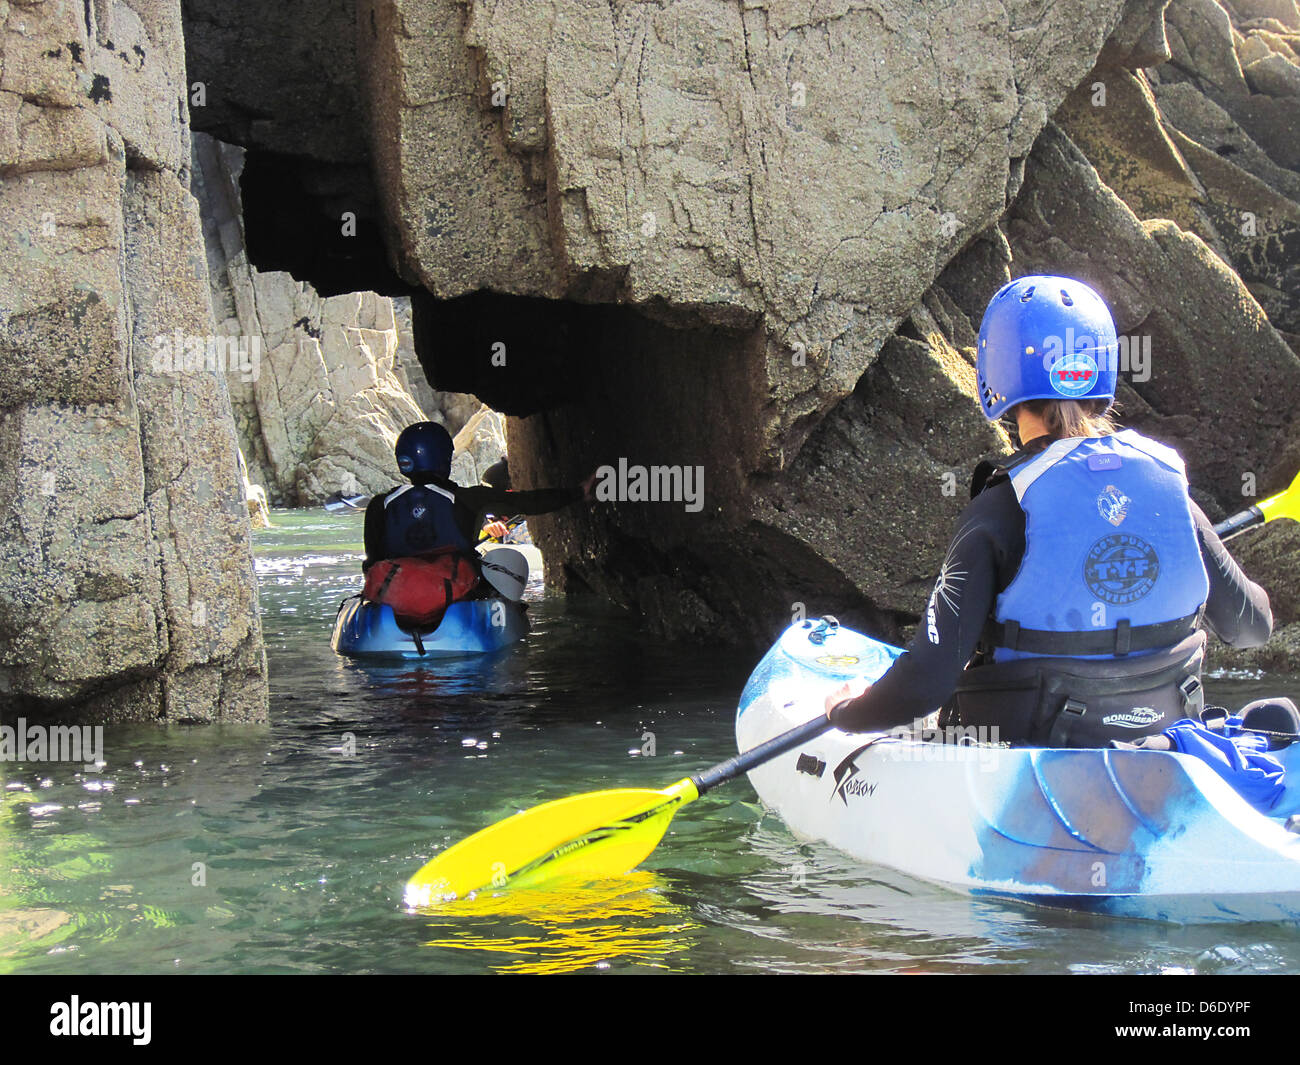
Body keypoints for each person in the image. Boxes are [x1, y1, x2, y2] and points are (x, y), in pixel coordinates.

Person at [824, 275, 1273, 748]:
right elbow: (1251, 630)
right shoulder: (1170, 487)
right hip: (1160, 736)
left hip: (1028, 747)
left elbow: (926, 683)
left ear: (996, 374)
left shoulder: (1001, 506)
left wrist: (848, 711)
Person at [363, 422, 595, 572]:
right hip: (453, 594)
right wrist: (578, 492)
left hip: (395, 595)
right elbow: (527, 502)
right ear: (443, 459)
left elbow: (372, 564)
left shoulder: (379, 505)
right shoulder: (469, 498)